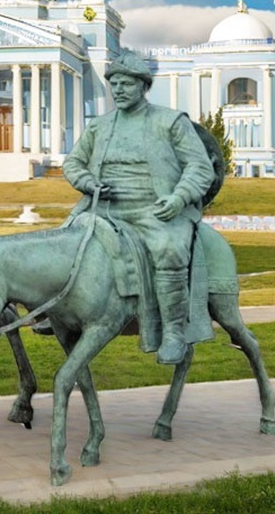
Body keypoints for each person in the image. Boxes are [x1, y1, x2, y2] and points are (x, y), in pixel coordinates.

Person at [62, 49, 215, 364]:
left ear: (144, 86)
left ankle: (173, 332)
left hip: (156, 210)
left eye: (126, 84)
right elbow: (73, 163)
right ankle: (58, 313)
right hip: (103, 208)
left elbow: (200, 167)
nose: (118, 90)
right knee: (60, 244)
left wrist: (179, 197)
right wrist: (88, 182)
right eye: (114, 84)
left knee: (168, 250)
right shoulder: (99, 126)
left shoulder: (170, 121)